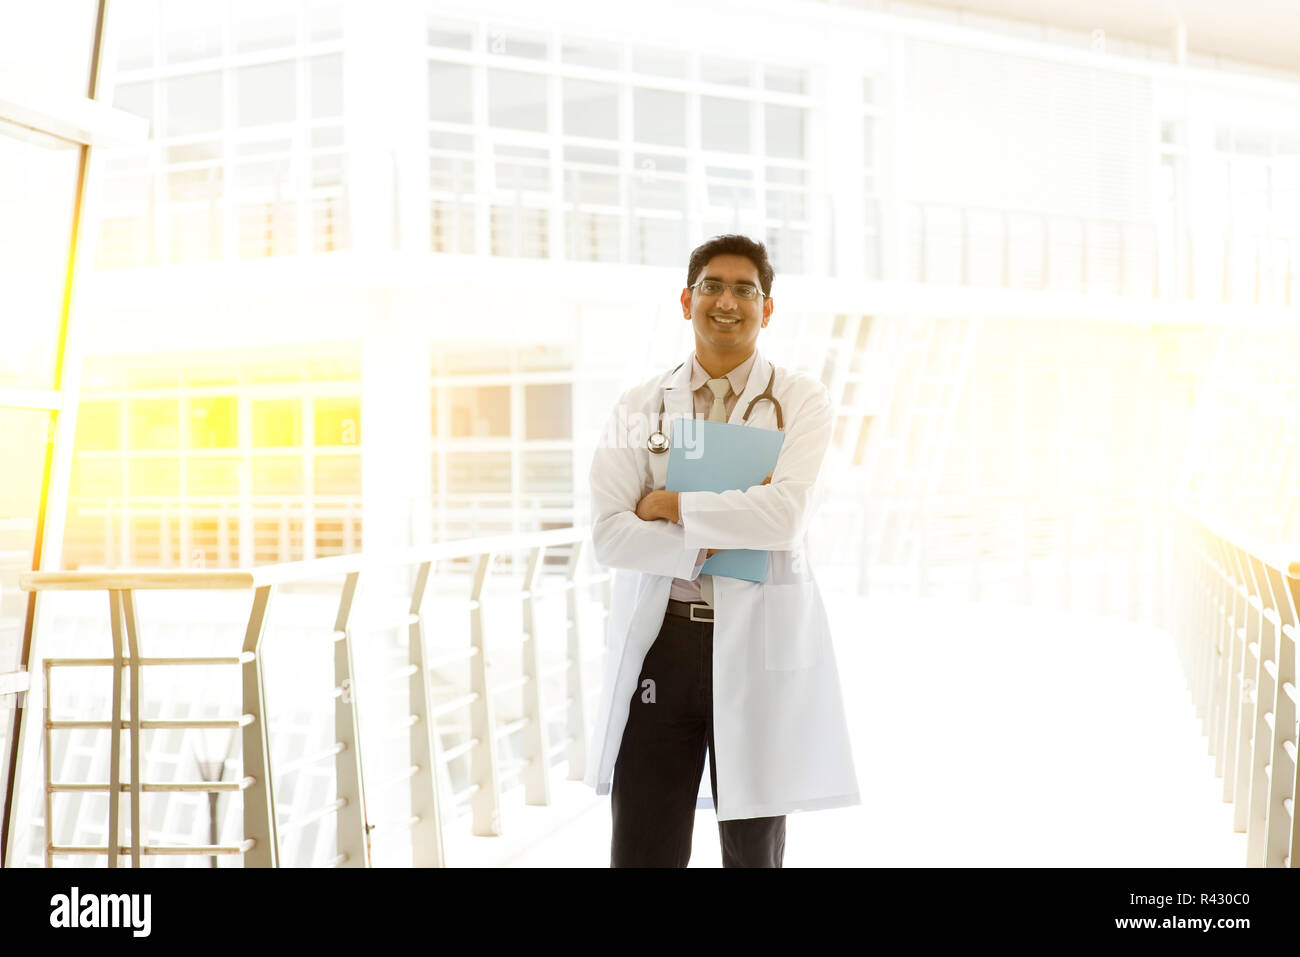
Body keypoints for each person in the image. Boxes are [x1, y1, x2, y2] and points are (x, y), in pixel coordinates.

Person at [583, 234, 860, 867]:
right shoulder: (639, 406)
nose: (726, 301)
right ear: (687, 301)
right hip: (665, 642)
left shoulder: (800, 400)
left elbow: (785, 516)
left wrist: (672, 505)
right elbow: (610, 534)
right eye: (711, 286)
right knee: (643, 842)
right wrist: (719, 533)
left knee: (753, 847)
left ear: (767, 309)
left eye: (744, 290)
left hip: (757, 639)